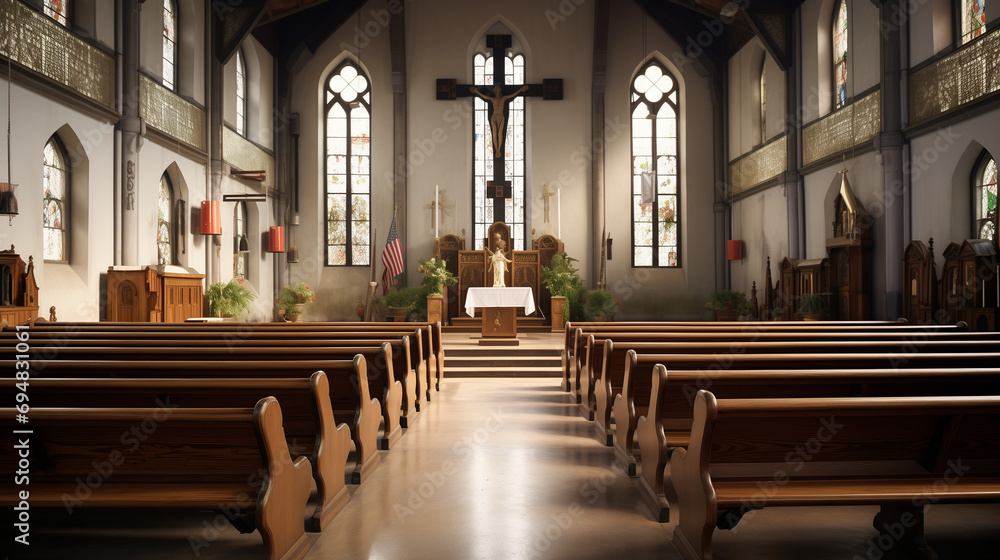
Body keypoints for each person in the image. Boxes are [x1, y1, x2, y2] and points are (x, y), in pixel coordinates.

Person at [470, 84, 529, 153]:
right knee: (494, 134)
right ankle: (497, 150)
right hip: (494, 117)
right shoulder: (493, 99)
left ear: (499, 91)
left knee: (500, 134)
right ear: (495, 91)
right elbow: (484, 97)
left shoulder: (503, 98)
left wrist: (520, 90)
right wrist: (476, 91)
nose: (496, 91)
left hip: (501, 117)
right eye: (495, 90)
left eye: (497, 90)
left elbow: (512, 95)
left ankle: (499, 150)